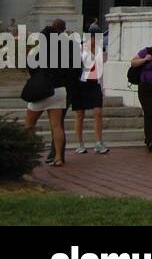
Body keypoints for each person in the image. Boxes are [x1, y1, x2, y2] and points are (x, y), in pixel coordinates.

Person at [23, 22, 75, 167]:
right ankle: (58, 157)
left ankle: (27, 153)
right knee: (57, 126)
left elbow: (31, 70)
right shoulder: (63, 50)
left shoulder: (36, 51)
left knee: (29, 124)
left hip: (41, 89)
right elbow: (71, 70)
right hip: (59, 90)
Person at [70, 24, 109, 154]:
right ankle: (80, 143)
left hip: (94, 84)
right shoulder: (80, 50)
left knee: (98, 112)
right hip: (80, 84)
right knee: (80, 114)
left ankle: (98, 142)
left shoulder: (100, 50)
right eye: (93, 37)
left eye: (97, 37)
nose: (95, 40)